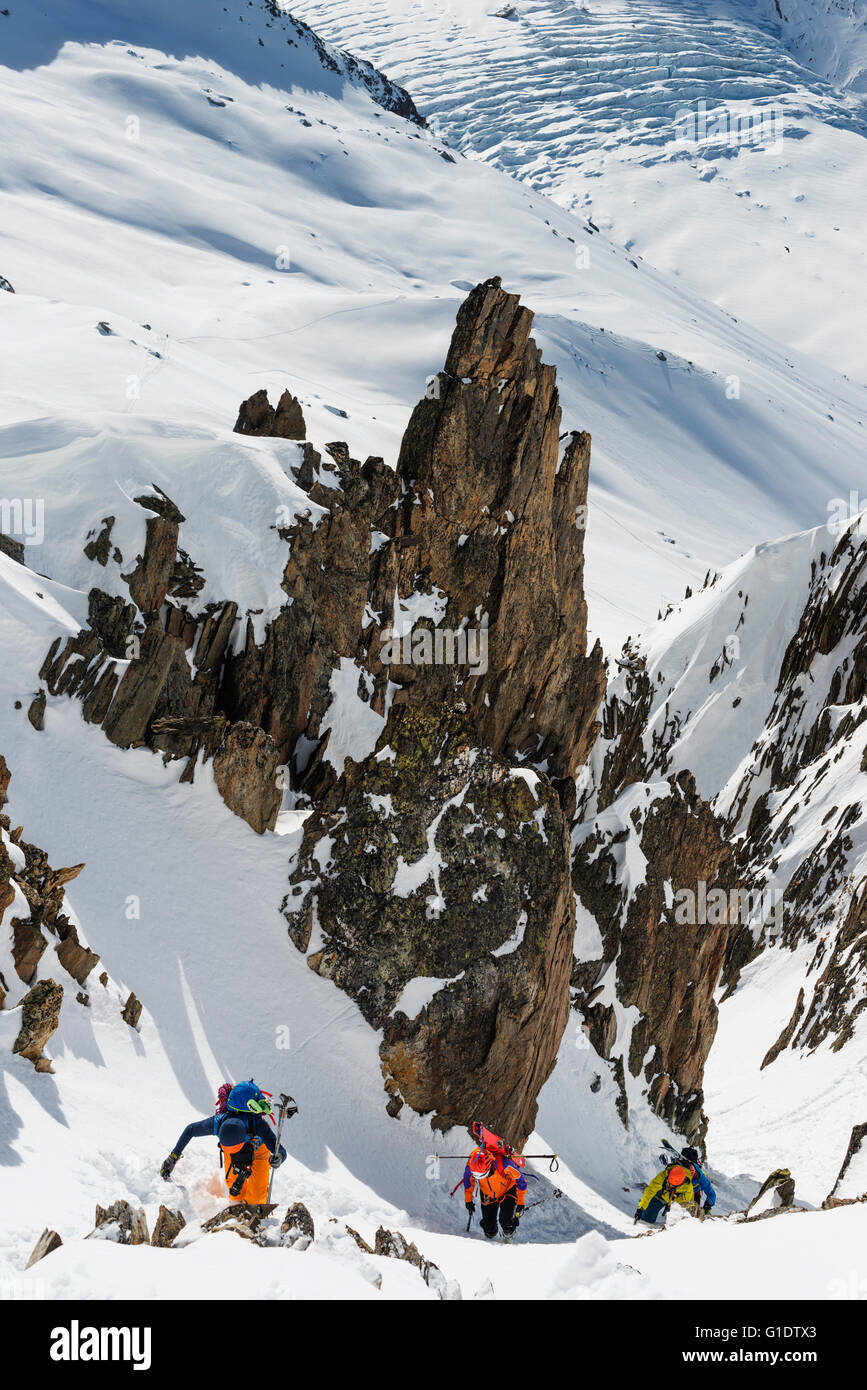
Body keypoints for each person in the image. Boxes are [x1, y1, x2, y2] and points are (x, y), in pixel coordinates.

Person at [160, 1081, 286, 1205]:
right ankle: (238, 1208)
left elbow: (279, 1149)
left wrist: (279, 1157)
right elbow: (190, 1130)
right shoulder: (218, 1122)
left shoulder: (256, 1125)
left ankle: (256, 1210)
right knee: (235, 1192)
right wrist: (173, 1157)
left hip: (258, 1150)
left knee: (256, 1198)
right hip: (231, 1153)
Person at [463, 1145, 527, 1239]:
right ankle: (491, 1233)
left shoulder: (504, 1164)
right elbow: (468, 1181)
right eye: (478, 1176)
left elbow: (521, 1181)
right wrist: (468, 1200)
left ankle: (508, 1233)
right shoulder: (472, 1164)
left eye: (483, 1175)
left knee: (506, 1224)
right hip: (487, 1192)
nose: (480, 1178)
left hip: (507, 1189)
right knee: (489, 1230)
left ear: (489, 1167)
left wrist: (520, 1202)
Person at [683, 1146, 716, 1214]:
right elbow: (711, 1193)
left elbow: (711, 1193)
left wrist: (707, 1205)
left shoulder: (700, 1176)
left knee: (693, 1212)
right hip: (685, 1190)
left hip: (695, 1192)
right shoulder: (699, 1173)